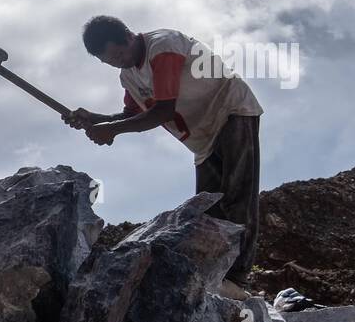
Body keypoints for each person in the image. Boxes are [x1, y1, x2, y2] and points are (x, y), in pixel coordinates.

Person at [68, 15, 264, 299]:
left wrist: (110, 130)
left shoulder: (163, 46)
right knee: (209, 208)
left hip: (229, 110)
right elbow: (131, 116)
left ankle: (237, 278)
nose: (119, 62)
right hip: (203, 138)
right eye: (110, 61)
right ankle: (218, 273)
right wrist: (94, 119)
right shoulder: (129, 76)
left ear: (129, 35)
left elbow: (162, 111)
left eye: (120, 54)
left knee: (238, 195)